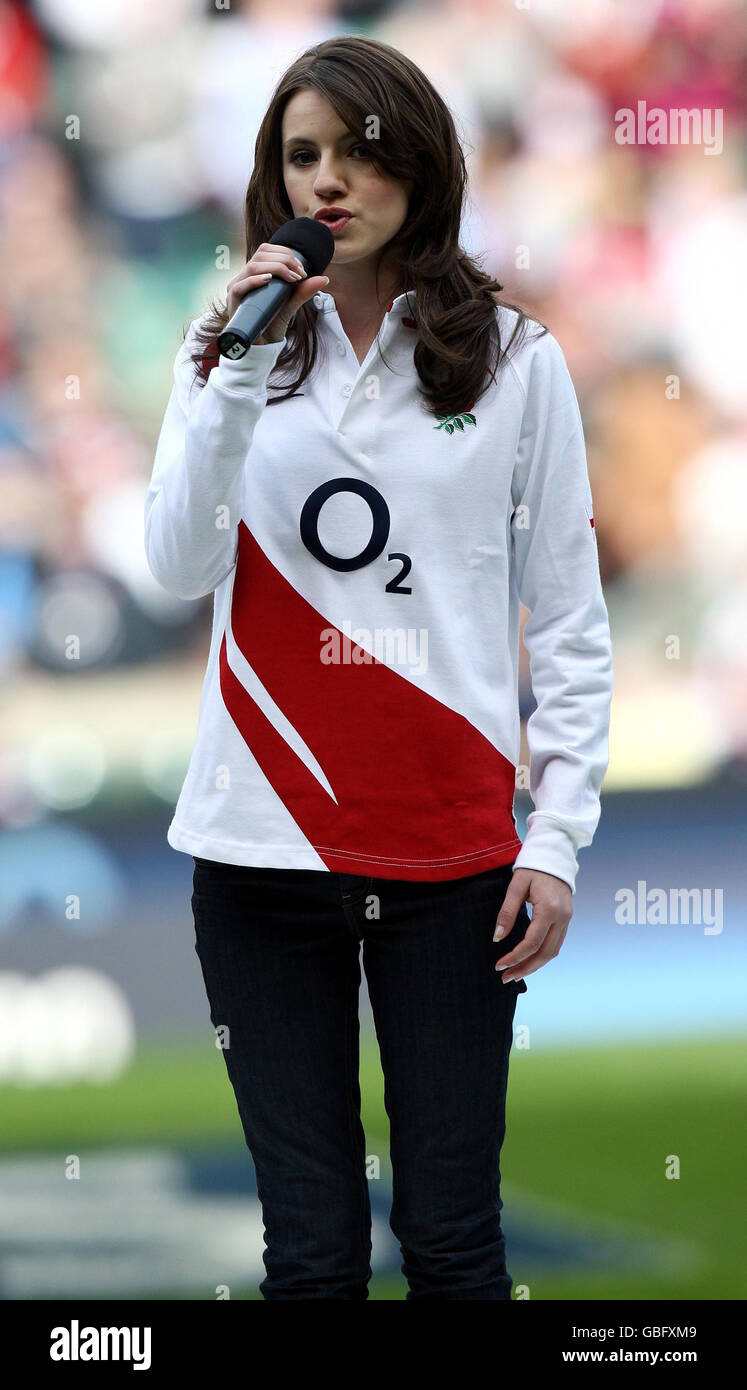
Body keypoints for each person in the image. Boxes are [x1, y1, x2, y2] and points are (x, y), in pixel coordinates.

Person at [144, 35, 613, 1300]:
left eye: (357, 148)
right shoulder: (228, 339)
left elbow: (569, 619)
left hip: (451, 859)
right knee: (310, 1252)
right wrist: (237, 364)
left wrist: (557, 836)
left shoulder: (519, 360)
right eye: (303, 157)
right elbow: (177, 565)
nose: (330, 180)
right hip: (256, 848)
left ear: (421, 161)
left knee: (454, 1241)